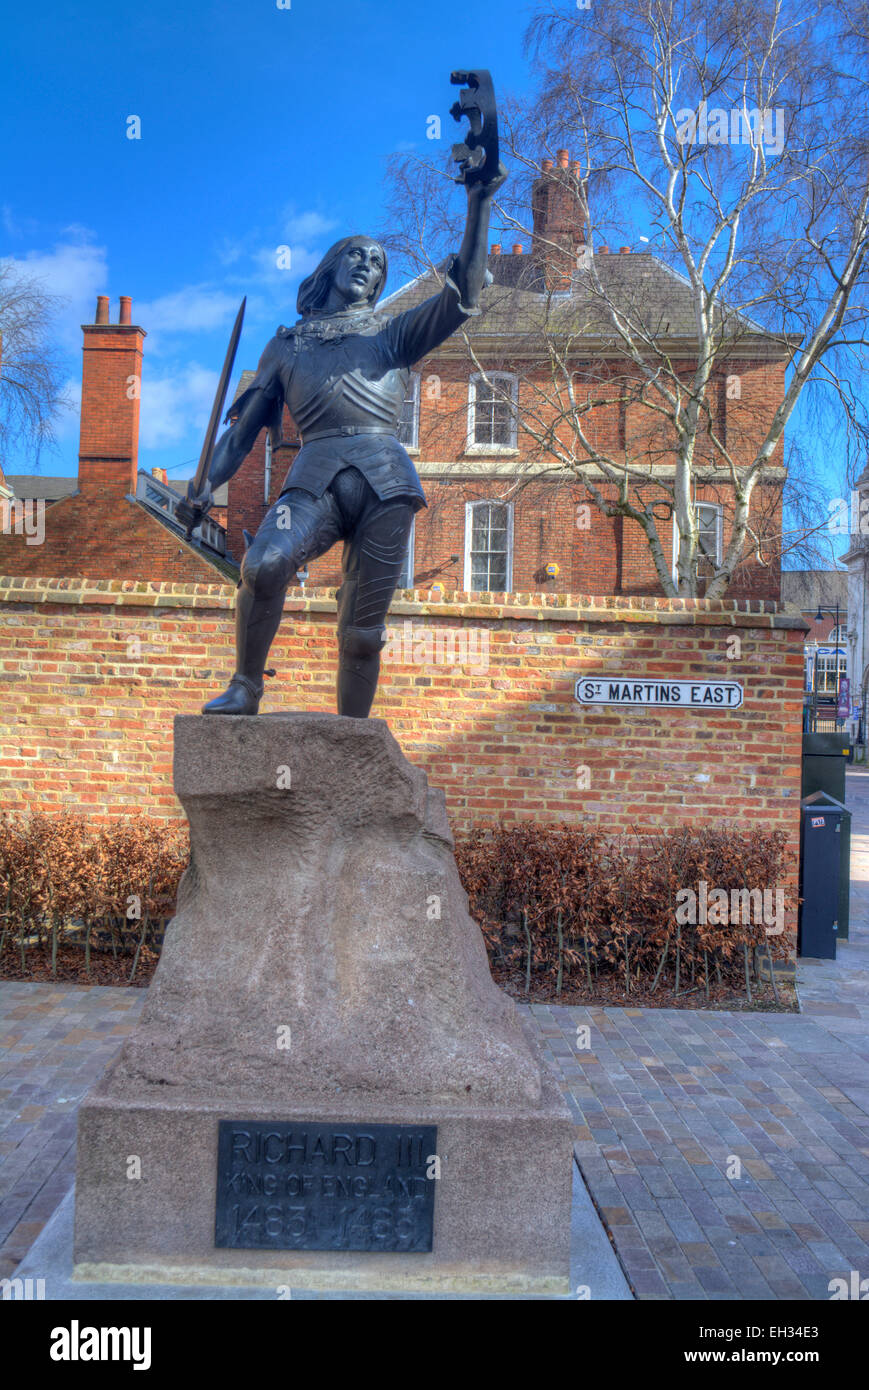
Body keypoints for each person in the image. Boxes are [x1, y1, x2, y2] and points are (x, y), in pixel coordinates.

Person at [181, 162, 506, 717]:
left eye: (378, 262)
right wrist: (202, 483)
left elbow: (465, 293)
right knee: (262, 565)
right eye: (357, 253)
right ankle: (245, 685)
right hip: (313, 477)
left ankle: (352, 739)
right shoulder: (286, 346)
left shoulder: (393, 331)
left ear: (381, 284)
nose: (368, 264)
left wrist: (478, 203)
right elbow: (240, 439)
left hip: (385, 479)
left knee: (361, 633)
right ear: (331, 265)